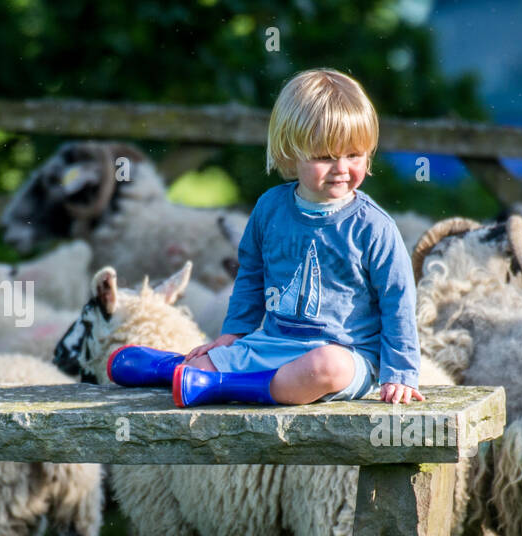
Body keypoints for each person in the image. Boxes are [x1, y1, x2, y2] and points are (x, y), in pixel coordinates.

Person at [107, 67, 424, 406]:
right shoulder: (270, 208)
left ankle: (216, 385)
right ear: (291, 151)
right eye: (324, 157)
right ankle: (179, 367)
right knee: (207, 362)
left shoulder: (373, 226)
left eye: (354, 155)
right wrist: (233, 335)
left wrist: (400, 374)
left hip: (348, 355)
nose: (342, 168)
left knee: (323, 369)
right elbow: (251, 277)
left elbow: (398, 299)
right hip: (271, 344)